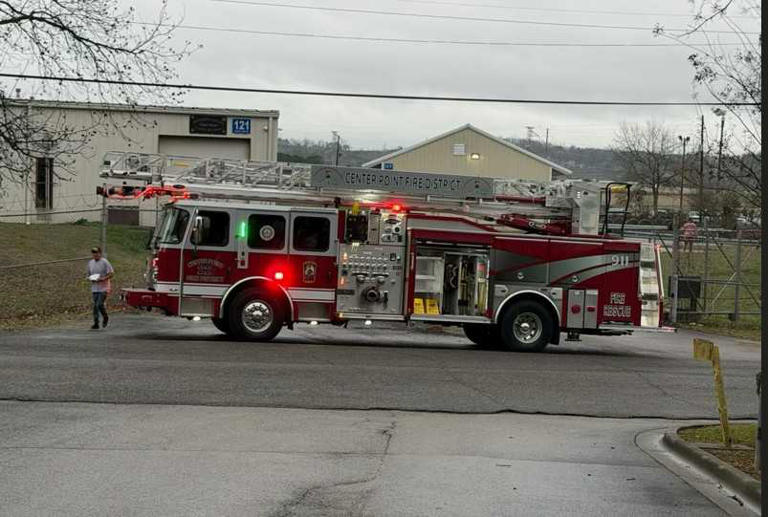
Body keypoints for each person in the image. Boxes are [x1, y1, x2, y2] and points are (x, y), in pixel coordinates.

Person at [87, 247, 114, 329]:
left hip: (104, 287)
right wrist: (89, 278)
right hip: (94, 287)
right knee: (95, 305)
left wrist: (103, 278)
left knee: (99, 304)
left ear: (100, 253)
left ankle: (105, 317)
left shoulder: (104, 262)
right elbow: (88, 274)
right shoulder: (90, 263)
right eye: (93, 253)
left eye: (97, 253)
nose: (95, 254)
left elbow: (111, 273)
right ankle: (96, 323)